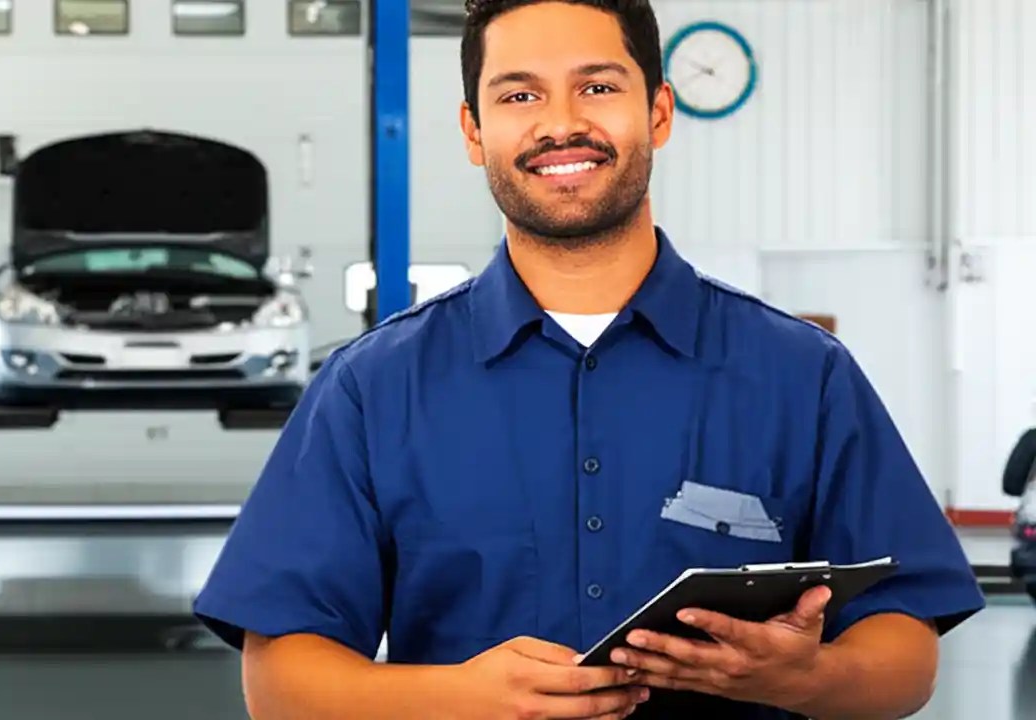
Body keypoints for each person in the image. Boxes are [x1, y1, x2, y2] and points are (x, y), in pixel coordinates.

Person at [194, 1, 986, 717]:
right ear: (474, 132)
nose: (560, 123)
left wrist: (804, 679)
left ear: (660, 111)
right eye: (519, 95)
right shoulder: (371, 388)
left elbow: (906, 653)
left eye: (598, 87)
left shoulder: (803, 375)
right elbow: (280, 684)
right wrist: (462, 698)